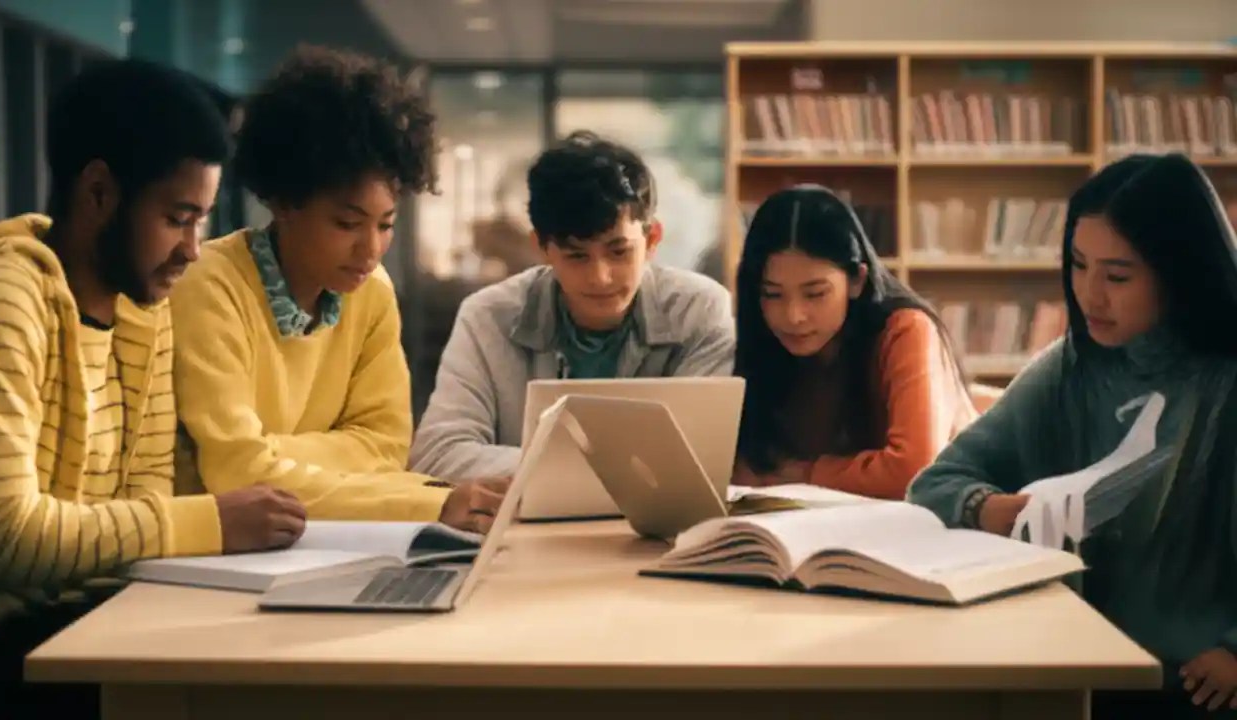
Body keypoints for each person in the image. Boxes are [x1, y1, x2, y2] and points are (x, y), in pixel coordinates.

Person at [0, 59, 307, 719]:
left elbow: (143, 498)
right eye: (178, 217)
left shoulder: (144, 311)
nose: (193, 249)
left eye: (203, 220)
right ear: (98, 193)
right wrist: (210, 521)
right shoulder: (0, 299)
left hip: (95, 610)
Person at [907, 154, 1237, 719]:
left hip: (1188, 686)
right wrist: (993, 510)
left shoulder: (1225, 379)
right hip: (1069, 667)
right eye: (1078, 265)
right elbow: (935, 483)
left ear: (1179, 273)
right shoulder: (1067, 366)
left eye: (1117, 275)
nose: (1089, 295)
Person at [172, 46, 506, 531]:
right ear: (285, 203)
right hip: (217, 552)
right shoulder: (210, 286)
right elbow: (238, 477)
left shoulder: (372, 293)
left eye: (386, 224)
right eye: (347, 223)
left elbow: (388, 447)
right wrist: (424, 501)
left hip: (323, 535)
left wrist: (274, 455)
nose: (370, 250)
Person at [408, 130, 736, 481]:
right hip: (525, 530)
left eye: (618, 251)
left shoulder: (697, 312)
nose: (601, 277)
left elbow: (698, 459)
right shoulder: (488, 317)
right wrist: (607, 469)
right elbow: (437, 451)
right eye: (577, 256)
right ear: (543, 248)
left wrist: (546, 470)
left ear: (652, 238)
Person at [729, 185, 973, 499]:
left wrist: (803, 474)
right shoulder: (767, 344)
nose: (793, 316)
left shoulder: (906, 330)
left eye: (815, 293)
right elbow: (746, 468)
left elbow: (915, 470)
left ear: (857, 280)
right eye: (772, 294)